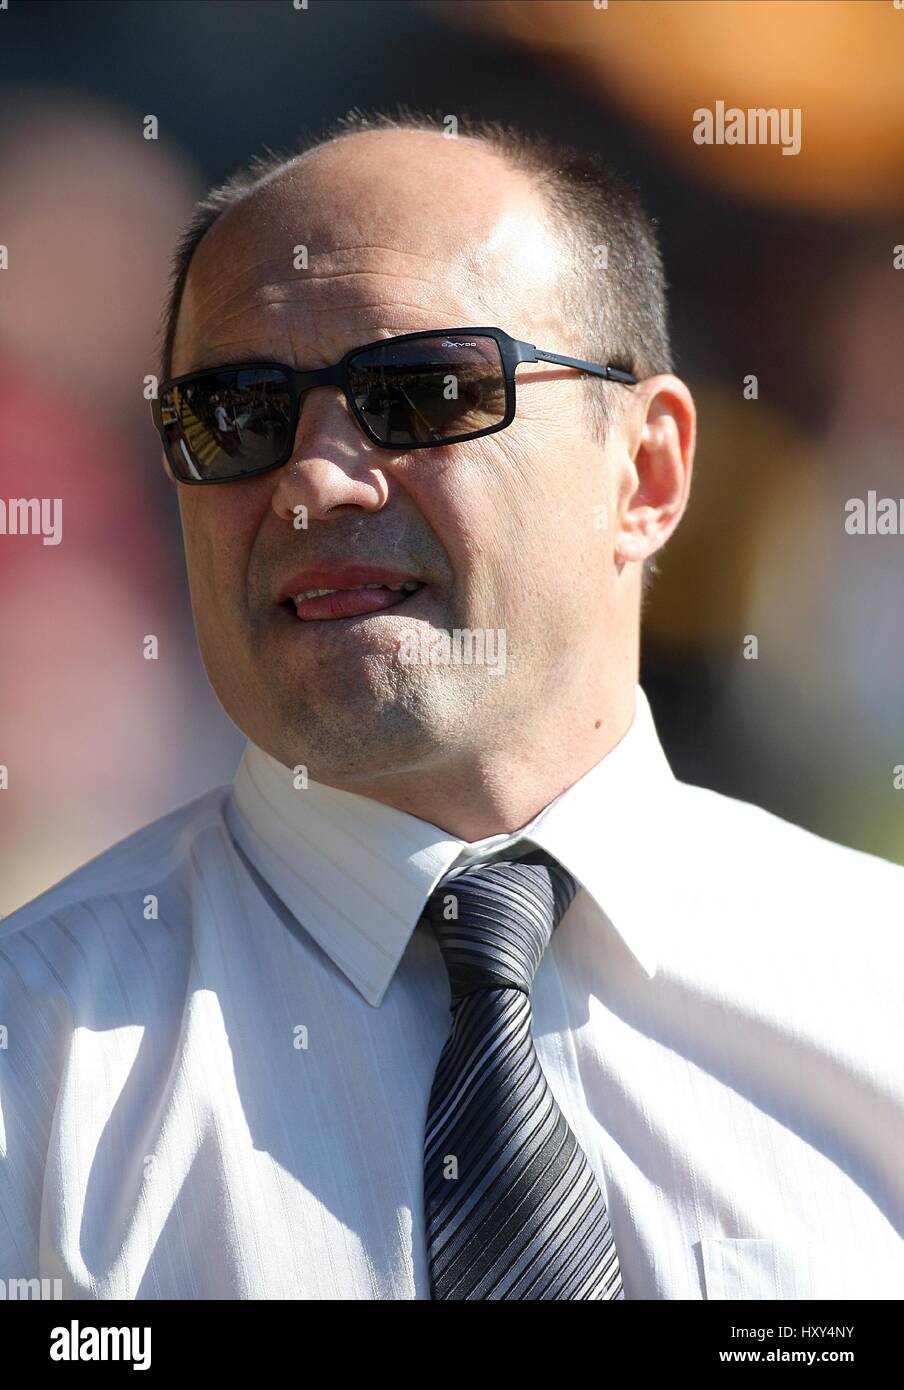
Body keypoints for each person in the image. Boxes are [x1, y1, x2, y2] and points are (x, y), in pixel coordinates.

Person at [1, 111, 902, 1302]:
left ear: (644, 474)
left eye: (421, 390)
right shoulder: (36, 1067)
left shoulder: (873, 991)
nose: (314, 479)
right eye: (237, 414)